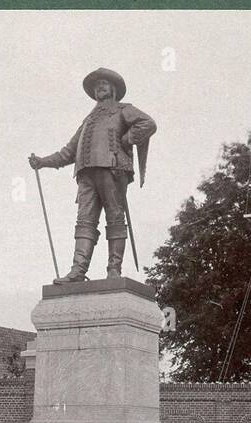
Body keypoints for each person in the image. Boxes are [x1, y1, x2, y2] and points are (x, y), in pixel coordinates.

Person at [29, 68, 157, 282]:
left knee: (115, 217)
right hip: (86, 174)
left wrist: (126, 140)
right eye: (97, 85)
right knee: (84, 221)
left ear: (113, 89)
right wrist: (42, 162)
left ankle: (114, 269)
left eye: (104, 83)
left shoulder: (124, 110)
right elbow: (68, 152)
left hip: (113, 170)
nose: (100, 87)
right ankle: (78, 270)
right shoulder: (88, 121)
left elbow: (148, 123)